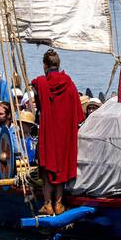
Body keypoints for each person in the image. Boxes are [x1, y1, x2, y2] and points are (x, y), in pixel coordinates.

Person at [30, 48, 83, 216]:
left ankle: (47, 204)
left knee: (47, 169)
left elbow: (38, 105)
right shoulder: (69, 83)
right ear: (58, 65)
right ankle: (59, 204)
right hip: (64, 132)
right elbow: (78, 111)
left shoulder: (40, 83)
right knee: (61, 167)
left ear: (45, 65)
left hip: (48, 131)